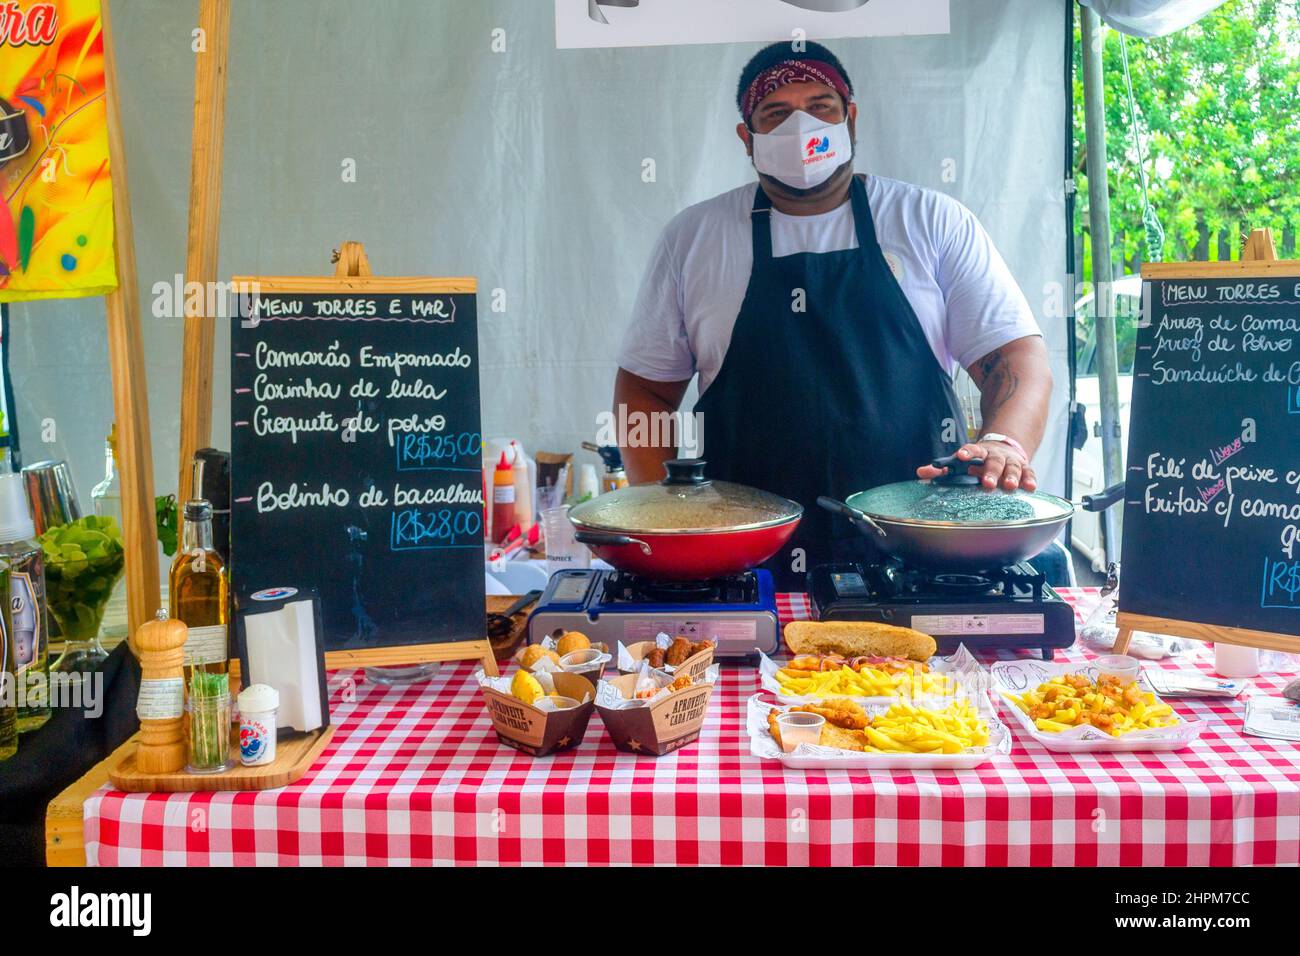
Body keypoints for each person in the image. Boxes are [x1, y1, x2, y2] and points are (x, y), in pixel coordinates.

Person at [614, 41, 1053, 588]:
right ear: (746, 139)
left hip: (919, 553)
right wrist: (667, 512)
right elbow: (645, 392)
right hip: (741, 560)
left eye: (821, 105)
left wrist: (1002, 444)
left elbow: (1017, 357)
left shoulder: (932, 222)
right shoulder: (694, 238)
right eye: (776, 114)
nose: (802, 126)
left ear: (851, 117)